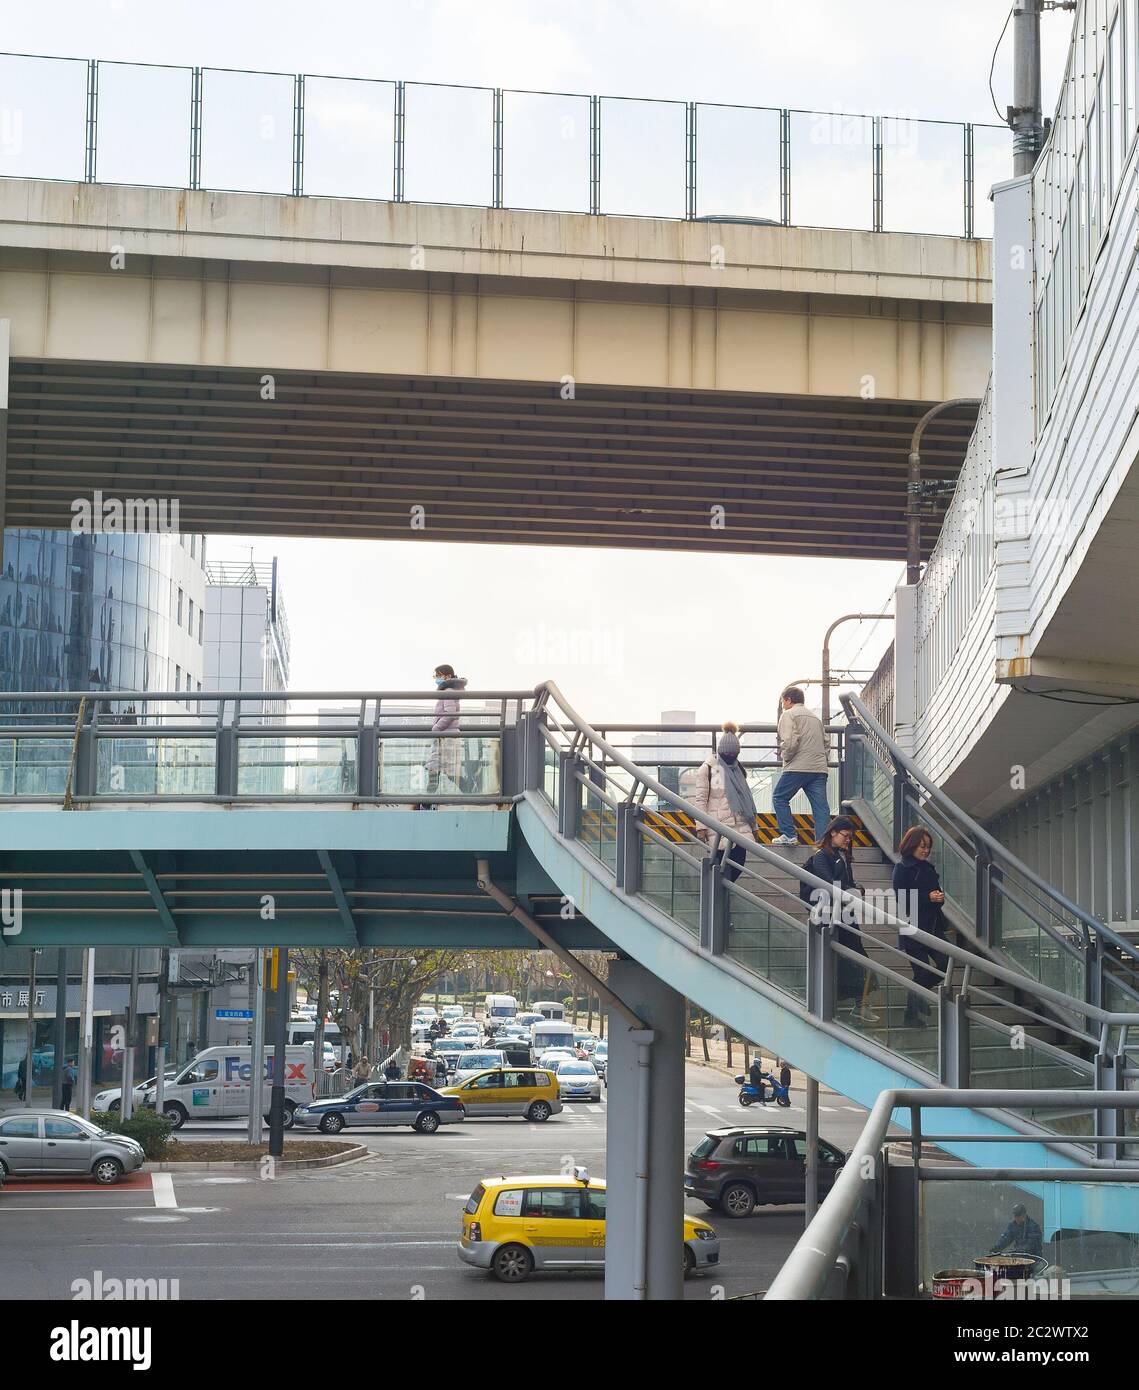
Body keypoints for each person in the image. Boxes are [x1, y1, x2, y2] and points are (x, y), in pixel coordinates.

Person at [803, 816, 879, 1024]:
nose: (848, 840)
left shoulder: (842, 856)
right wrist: (850, 890)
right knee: (844, 959)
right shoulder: (821, 856)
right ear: (833, 833)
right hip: (829, 916)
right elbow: (828, 882)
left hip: (843, 913)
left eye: (850, 837)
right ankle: (848, 1004)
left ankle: (858, 1004)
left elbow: (845, 883)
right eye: (845, 836)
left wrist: (855, 888)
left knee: (855, 957)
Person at [892, 826, 950, 1026]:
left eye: (928, 847)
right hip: (912, 929)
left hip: (933, 927)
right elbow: (900, 896)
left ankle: (916, 997)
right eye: (922, 846)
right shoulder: (902, 868)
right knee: (922, 973)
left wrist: (938, 897)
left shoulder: (929, 868)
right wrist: (928, 897)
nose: (925, 850)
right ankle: (912, 1014)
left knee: (946, 963)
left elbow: (937, 895)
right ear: (912, 845)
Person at [689, 721, 758, 883]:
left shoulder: (738, 770)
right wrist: (701, 827)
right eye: (729, 754)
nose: (732, 757)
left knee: (739, 861)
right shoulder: (708, 769)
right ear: (722, 751)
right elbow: (700, 800)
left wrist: (754, 827)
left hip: (741, 825)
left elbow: (746, 799)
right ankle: (715, 900)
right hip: (718, 825)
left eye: (735, 754)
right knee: (719, 867)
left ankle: (722, 895)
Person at [770, 687, 831, 846]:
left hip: (797, 767)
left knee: (779, 797)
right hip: (818, 769)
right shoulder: (815, 718)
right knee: (821, 808)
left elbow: (790, 741)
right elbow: (827, 743)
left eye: (784, 701)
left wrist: (786, 757)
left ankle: (789, 835)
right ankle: (823, 844)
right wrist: (821, 760)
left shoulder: (788, 714)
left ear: (789, 700)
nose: (783, 705)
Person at [424, 664, 468, 799]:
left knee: (444, 770)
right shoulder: (449, 691)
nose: (436, 678)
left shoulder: (447, 691)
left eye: (438, 675)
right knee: (437, 769)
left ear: (447, 676)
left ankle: (472, 792)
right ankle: (426, 802)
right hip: (446, 736)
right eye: (435, 676)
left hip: (446, 736)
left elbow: (450, 713)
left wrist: (436, 728)